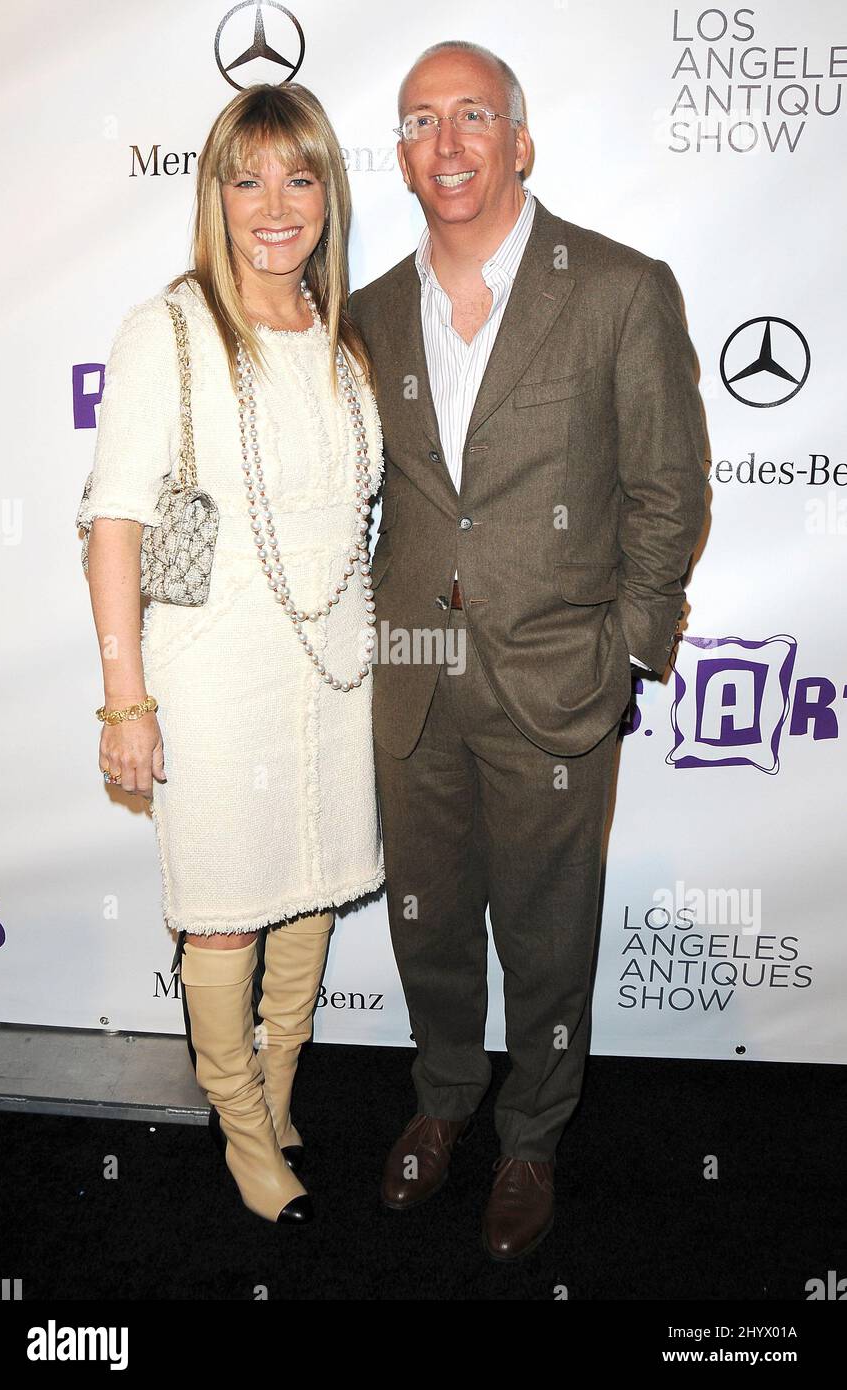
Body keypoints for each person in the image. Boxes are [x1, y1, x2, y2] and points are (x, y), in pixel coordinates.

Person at [348, 40, 708, 1260]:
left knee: (549, 936)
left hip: (556, 685)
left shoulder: (614, 287)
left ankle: (534, 1134)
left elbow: (669, 490)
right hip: (410, 688)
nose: (444, 145)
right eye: (417, 123)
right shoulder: (364, 315)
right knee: (427, 921)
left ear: (519, 142)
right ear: (398, 154)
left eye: (470, 118)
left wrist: (626, 653)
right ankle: (444, 1098)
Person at [79, 82, 384, 1226]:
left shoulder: (345, 340)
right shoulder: (167, 329)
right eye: (246, 177)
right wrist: (126, 701)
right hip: (213, 676)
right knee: (222, 908)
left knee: (305, 900)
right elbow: (115, 524)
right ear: (214, 193)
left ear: (326, 194)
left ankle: (282, 1092)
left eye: (298, 176)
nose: (274, 203)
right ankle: (243, 1132)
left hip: (333, 671)